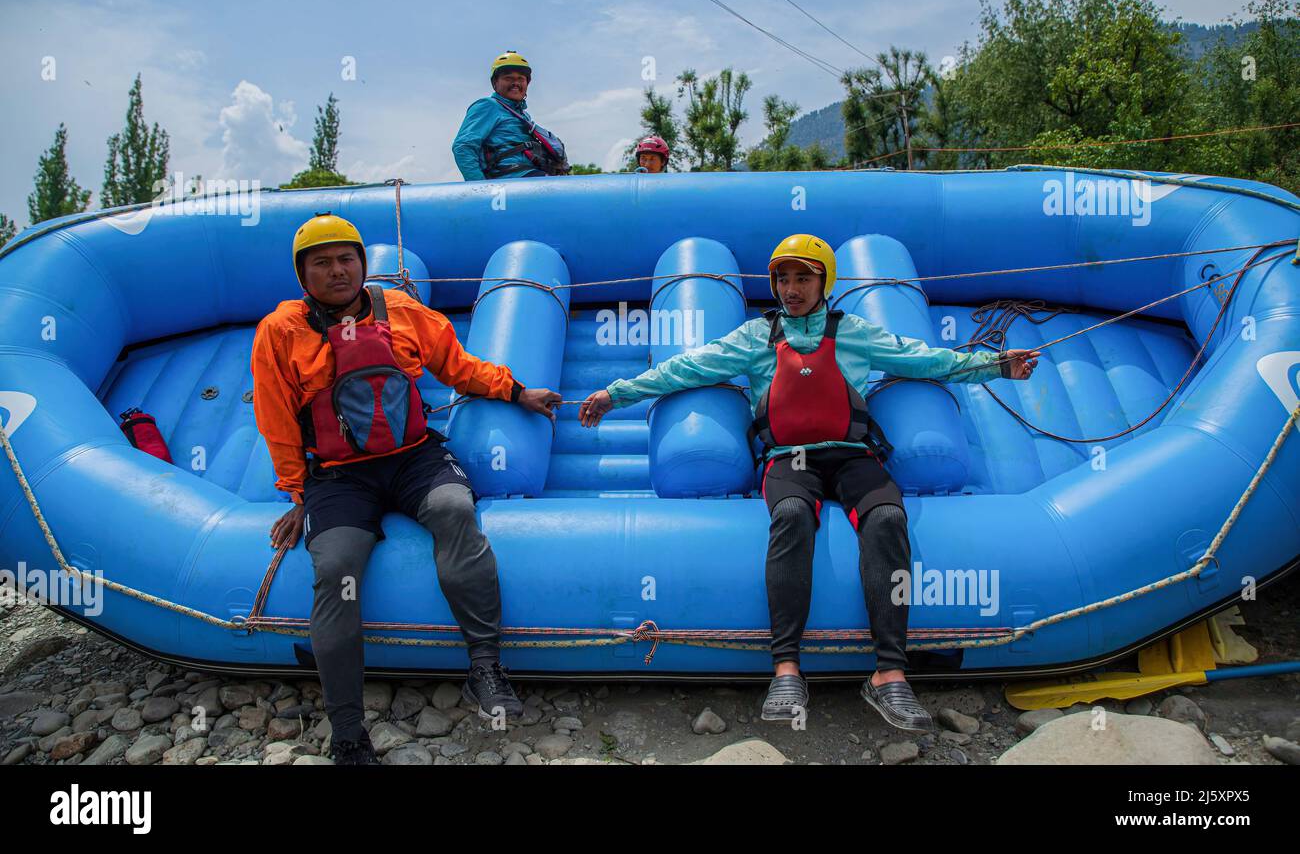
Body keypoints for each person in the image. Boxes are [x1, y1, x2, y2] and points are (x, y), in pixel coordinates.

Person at [578, 233, 1039, 731]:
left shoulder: (854, 332)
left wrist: (995, 365)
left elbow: (925, 359)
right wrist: (616, 393)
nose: (791, 289)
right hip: (788, 459)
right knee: (792, 515)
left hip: (852, 455)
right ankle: (786, 669)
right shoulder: (756, 337)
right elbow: (688, 367)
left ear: (825, 282)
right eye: (783, 278)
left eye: (803, 278)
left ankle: (889, 675)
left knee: (887, 517)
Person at [250, 214, 562, 764]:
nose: (337, 270)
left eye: (346, 258)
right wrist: (297, 493)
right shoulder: (280, 331)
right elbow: (276, 415)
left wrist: (515, 392)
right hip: (340, 474)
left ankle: (485, 667)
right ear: (303, 276)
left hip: (413, 457)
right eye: (321, 263)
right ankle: (348, 729)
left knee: (454, 510)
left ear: (362, 265)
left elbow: (458, 366)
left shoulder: (401, 310)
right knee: (336, 567)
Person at [452, 51, 570, 181]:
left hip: (532, 175)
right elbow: (463, 146)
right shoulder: (488, 105)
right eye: (508, 78)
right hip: (511, 180)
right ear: (495, 83)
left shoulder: (523, 116)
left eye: (521, 78)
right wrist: (480, 188)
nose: (516, 83)